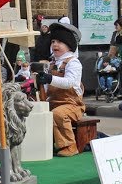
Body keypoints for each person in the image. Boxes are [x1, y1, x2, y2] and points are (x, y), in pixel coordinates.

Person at [35, 20, 85, 156]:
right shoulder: (52, 63)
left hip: (72, 104)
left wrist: (50, 78)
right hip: (53, 102)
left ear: (69, 45)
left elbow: (69, 82)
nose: (55, 44)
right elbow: (47, 87)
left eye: (59, 42)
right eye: (53, 42)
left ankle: (70, 145)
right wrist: (40, 84)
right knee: (37, 113)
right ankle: (44, 143)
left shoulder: (73, 63)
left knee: (59, 114)